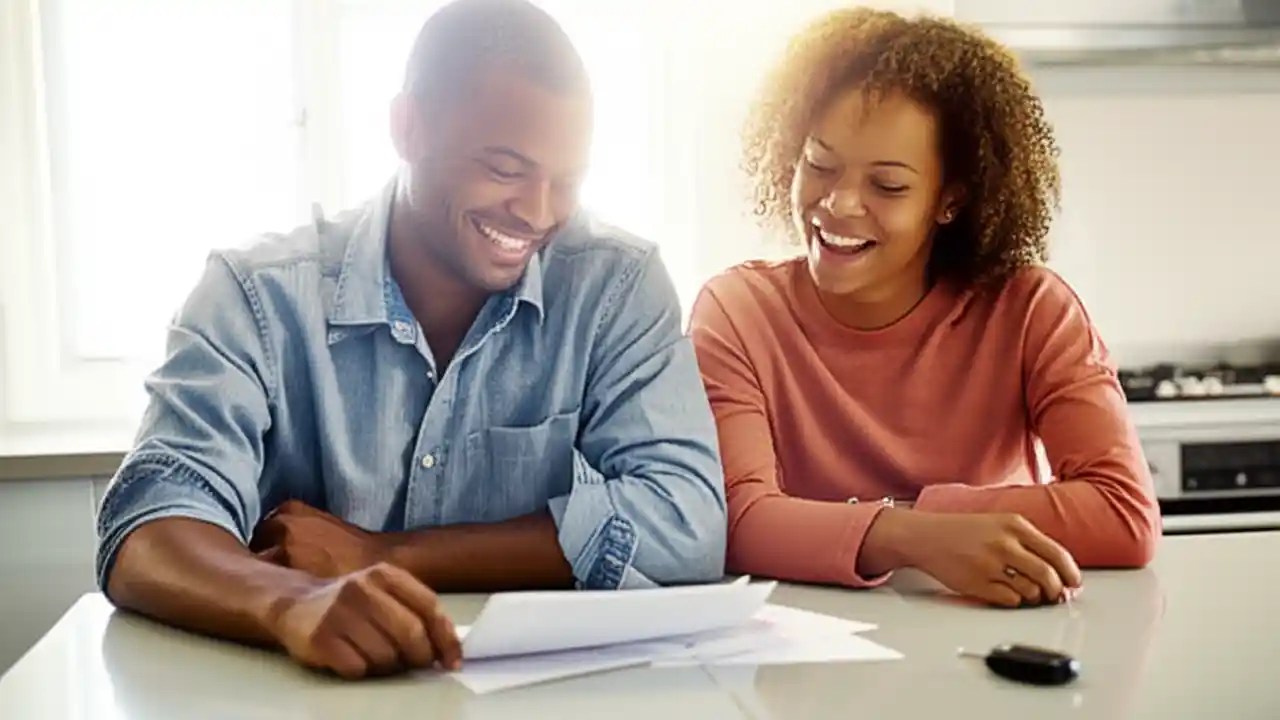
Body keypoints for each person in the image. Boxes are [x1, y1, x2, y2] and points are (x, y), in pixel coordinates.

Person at [96, 0, 726, 680]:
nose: (539, 211)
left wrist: (388, 555)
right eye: (505, 169)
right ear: (408, 128)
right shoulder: (255, 295)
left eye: (567, 181)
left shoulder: (615, 286)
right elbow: (150, 523)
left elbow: (686, 519)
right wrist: (291, 603)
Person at [688, 8, 1159, 609]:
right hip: (807, 646)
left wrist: (913, 521)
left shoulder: (1030, 310)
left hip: (993, 630)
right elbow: (735, 520)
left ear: (949, 201)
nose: (838, 204)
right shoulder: (737, 313)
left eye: (887, 185)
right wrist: (915, 537)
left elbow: (1124, 513)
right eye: (820, 165)